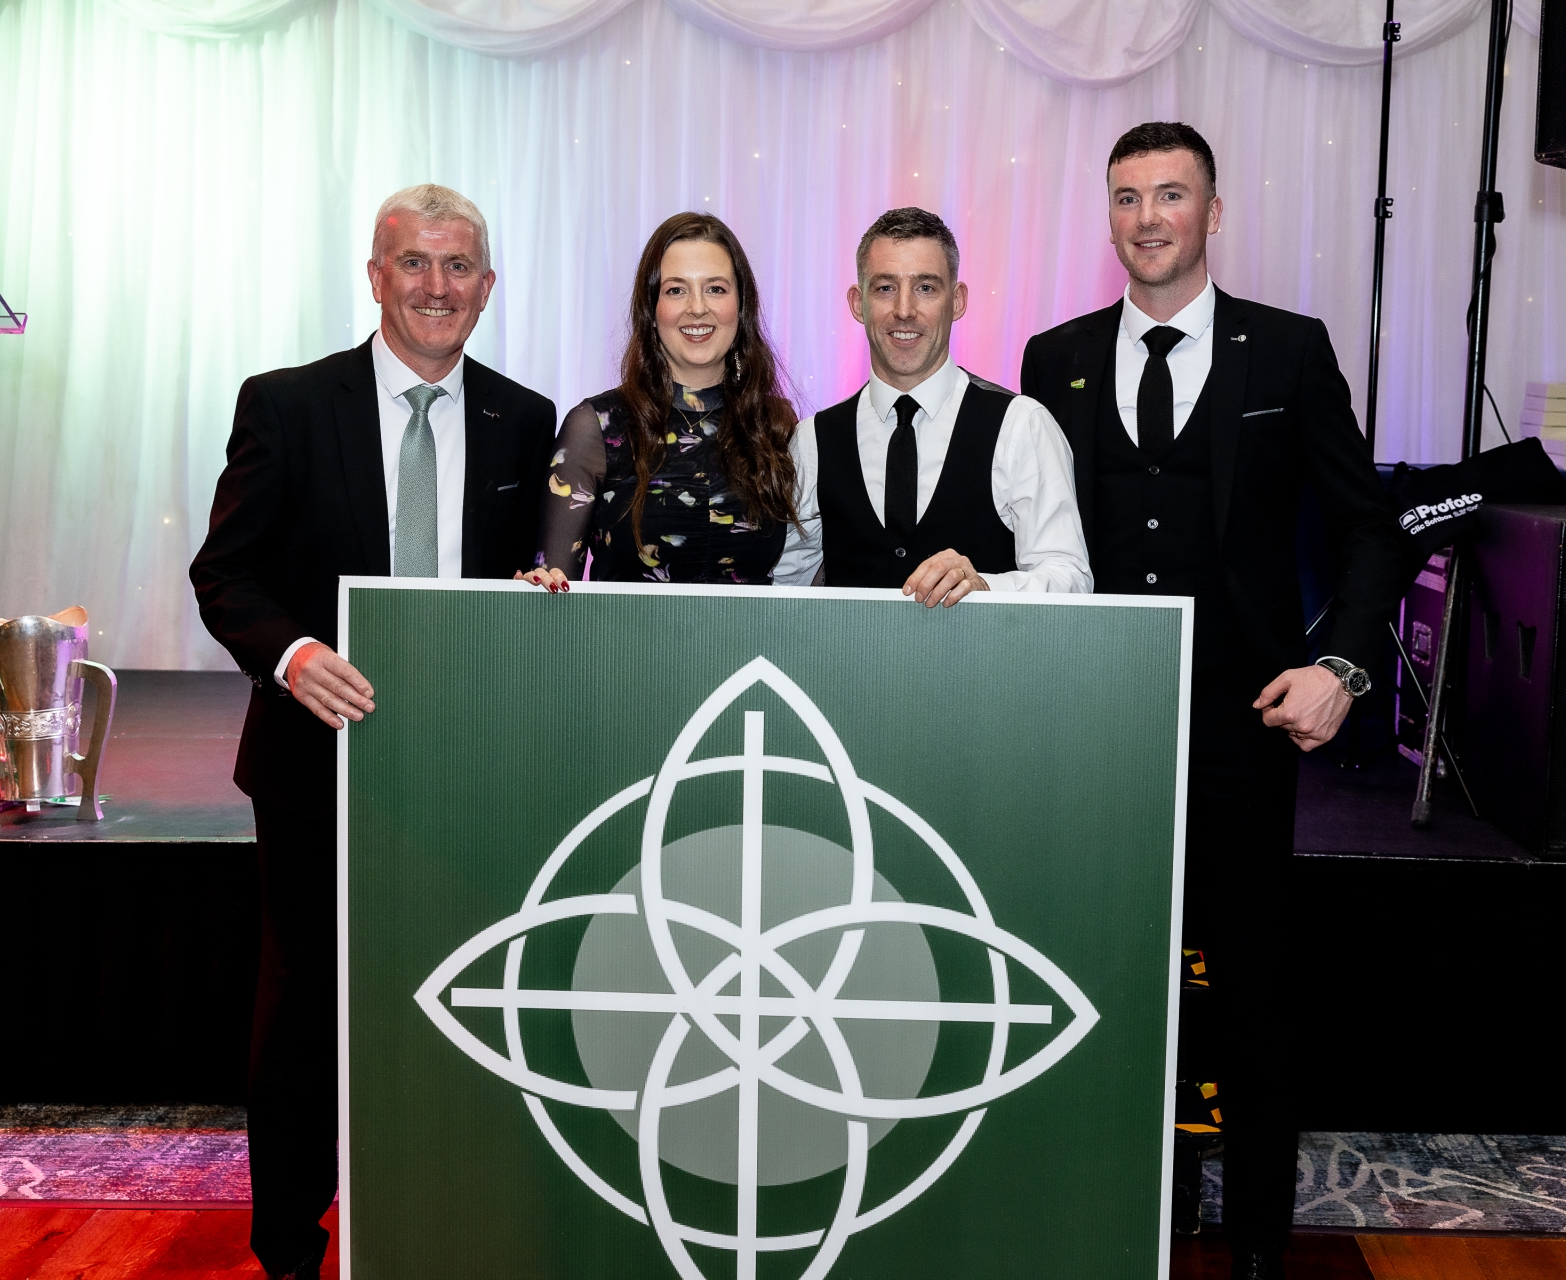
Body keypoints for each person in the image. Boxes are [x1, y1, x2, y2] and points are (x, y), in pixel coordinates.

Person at [1020, 123, 1407, 1280]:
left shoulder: (1286, 352)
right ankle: (1109, 1209)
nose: (1148, 217)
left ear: (1214, 213)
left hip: (1247, 719)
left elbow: (1367, 526)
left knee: (1250, 983)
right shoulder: (1056, 357)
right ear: (1108, 219)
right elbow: (1033, 532)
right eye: (1129, 197)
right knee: (1100, 966)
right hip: (1096, 720)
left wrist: (1337, 666)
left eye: (1171, 195)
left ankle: (1252, 1241)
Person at [189, 184, 556, 1280]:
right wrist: (296, 656)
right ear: (376, 274)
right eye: (415, 264)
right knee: (305, 1008)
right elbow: (226, 572)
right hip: (314, 767)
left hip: (466, 772)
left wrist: (546, 590)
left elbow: (529, 573)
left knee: (461, 996)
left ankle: (443, 1215)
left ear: (487, 287)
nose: (437, 287)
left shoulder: (525, 417)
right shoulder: (288, 403)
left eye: (459, 268)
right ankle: (290, 1244)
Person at [772, 207, 1090, 603]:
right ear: (858, 303)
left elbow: (1070, 578)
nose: (904, 310)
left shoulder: (1021, 426)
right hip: (849, 665)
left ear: (957, 301)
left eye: (925, 287)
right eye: (885, 287)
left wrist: (987, 585)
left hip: (978, 664)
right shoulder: (813, 440)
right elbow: (781, 588)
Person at [522, 212, 799, 590]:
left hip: (752, 650)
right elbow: (553, 588)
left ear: (741, 305)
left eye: (716, 288)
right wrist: (537, 587)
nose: (697, 307)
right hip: (626, 648)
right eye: (676, 290)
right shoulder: (596, 427)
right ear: (651, 310)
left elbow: (810, 574)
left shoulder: (776, 425)